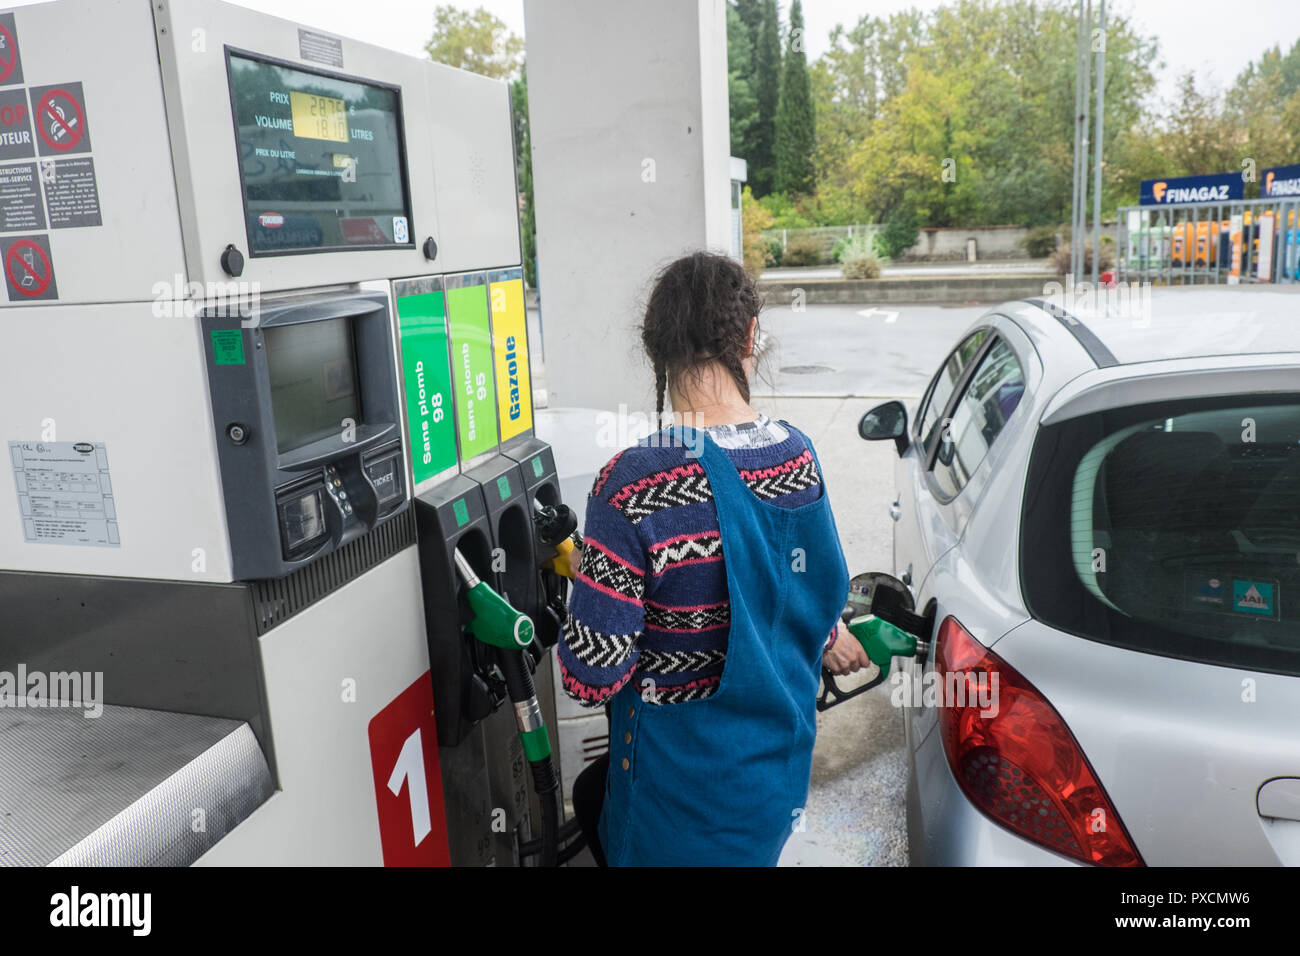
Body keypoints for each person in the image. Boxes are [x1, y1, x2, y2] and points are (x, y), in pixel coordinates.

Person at [559, 251, 869, 867]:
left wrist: (596, 585)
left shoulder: (632, 486)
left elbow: (591, 675)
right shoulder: (797, 459)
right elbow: (801, 592)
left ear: (656, 349)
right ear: (750, 334)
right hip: (772, 795)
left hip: (675, 817)